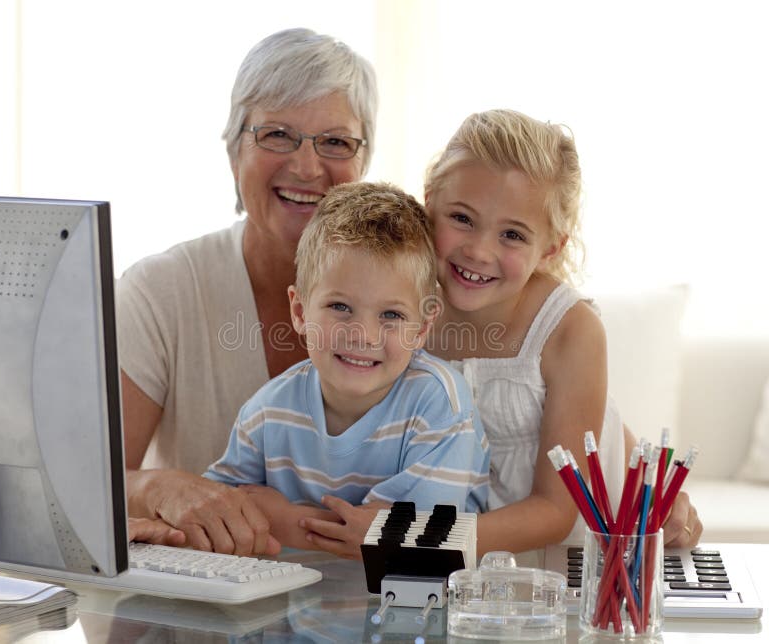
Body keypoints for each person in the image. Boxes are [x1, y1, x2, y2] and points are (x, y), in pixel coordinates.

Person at [299, 109, 702, 558]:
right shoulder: (395, 311)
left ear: (551, 246)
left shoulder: (569, 330)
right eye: (462, 218)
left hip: (568, 560)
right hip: (447, 562)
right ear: (429, 202)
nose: (479, 250)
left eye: (512, 234)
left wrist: (409, 535)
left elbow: (554, 510)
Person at [118, 27, 378, 554]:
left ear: (363, 162)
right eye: (277, 134)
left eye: (334, 141)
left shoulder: (407, 293)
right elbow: (82, 484)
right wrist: (156, 485)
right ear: (234, 151)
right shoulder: (161, 290)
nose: (306, 167)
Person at [200, 181, 488, 547]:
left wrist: (284, 520)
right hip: (297, 602)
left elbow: (414, 544)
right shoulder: (267, 412)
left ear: (422, 328)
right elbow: (217, 513)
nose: (363, 335)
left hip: (421, 604)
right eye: (340, 307)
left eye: (391, 314)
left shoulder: (439, 405)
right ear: (300, 311)